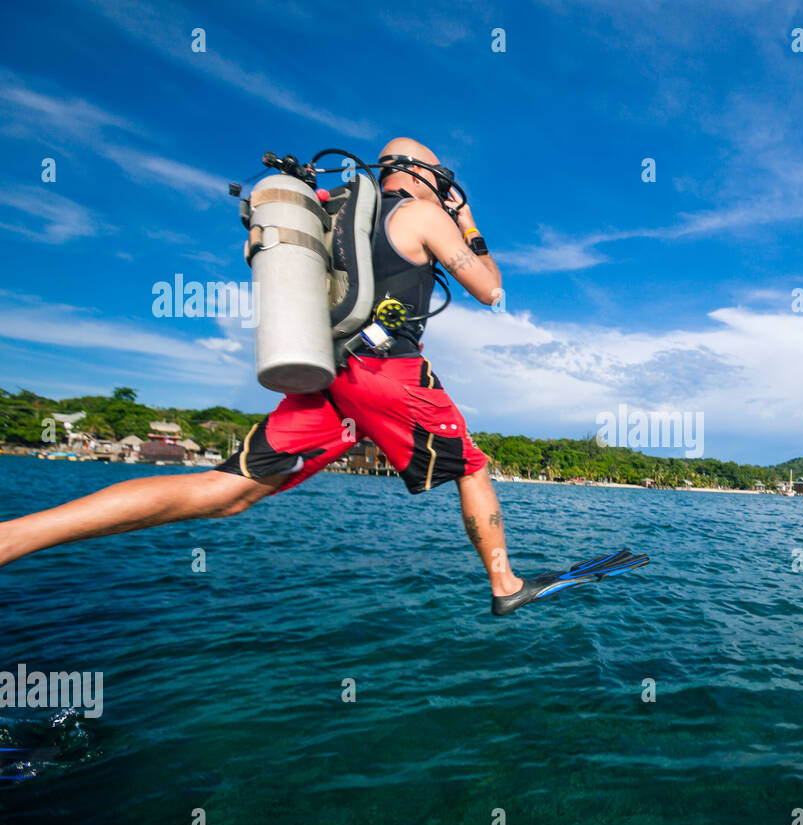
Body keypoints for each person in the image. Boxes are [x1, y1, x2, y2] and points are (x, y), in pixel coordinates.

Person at [0, 137, 646, 614]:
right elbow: (490, 288)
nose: (445, 190)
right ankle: (506, 586)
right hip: (385, 371)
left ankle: (15, 536)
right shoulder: (419, 213)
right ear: (416, 175)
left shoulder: (328, 211)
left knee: (226, 491)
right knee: (471, 466)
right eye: (441, 178)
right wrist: (465, 216)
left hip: (323, 371)